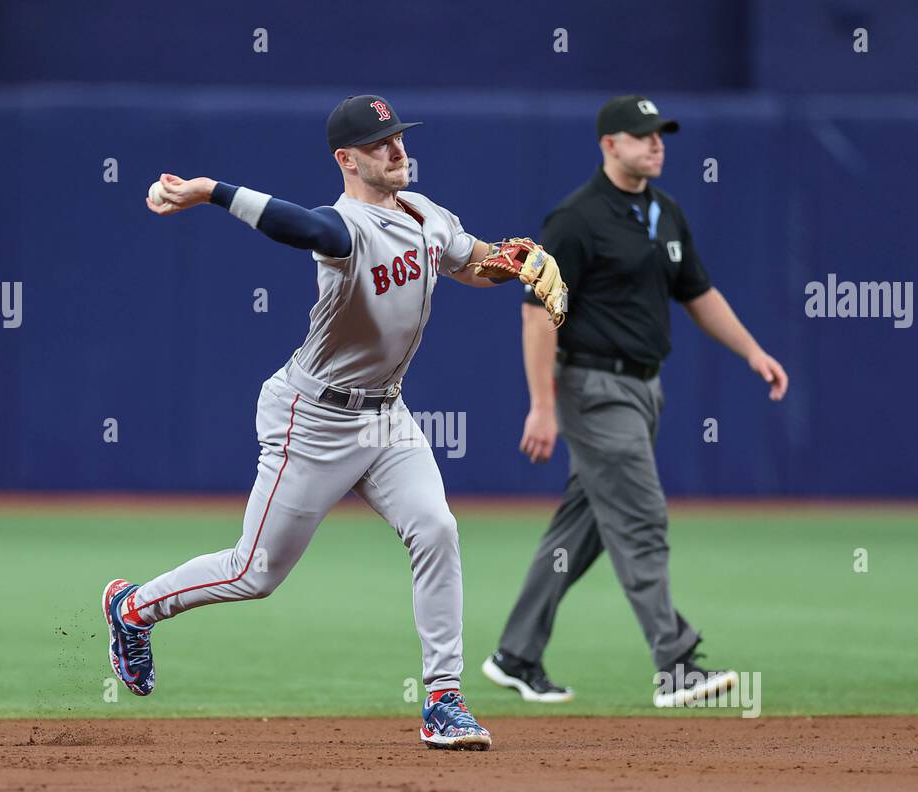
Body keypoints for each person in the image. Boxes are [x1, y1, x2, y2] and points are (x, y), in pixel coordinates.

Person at [100, 95, 567, 750]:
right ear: (347, 160)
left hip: (387, 417)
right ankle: (133, 607)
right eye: (380, 144)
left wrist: (519, 263)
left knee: (435, 528)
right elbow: (301, 227)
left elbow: (473, 263)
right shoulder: (346, 230)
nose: (396, 149)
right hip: (312, 420)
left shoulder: (427, 214)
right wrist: (211, 191)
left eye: (399, 137)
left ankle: (442, 699)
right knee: (253, 573)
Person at [483, 95, 789, 707]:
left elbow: (698, 293)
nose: (656, 144)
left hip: (644, 389)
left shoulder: (664, 212)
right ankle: (675, 664)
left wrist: (752, 351)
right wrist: (541, 405)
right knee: (642, 517)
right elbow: (536, 314)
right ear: (608, 145)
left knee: (587, 525)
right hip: (593, 389)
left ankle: (515, 654)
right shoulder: (576, 219)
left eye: (660, 134)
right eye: (641, 134)